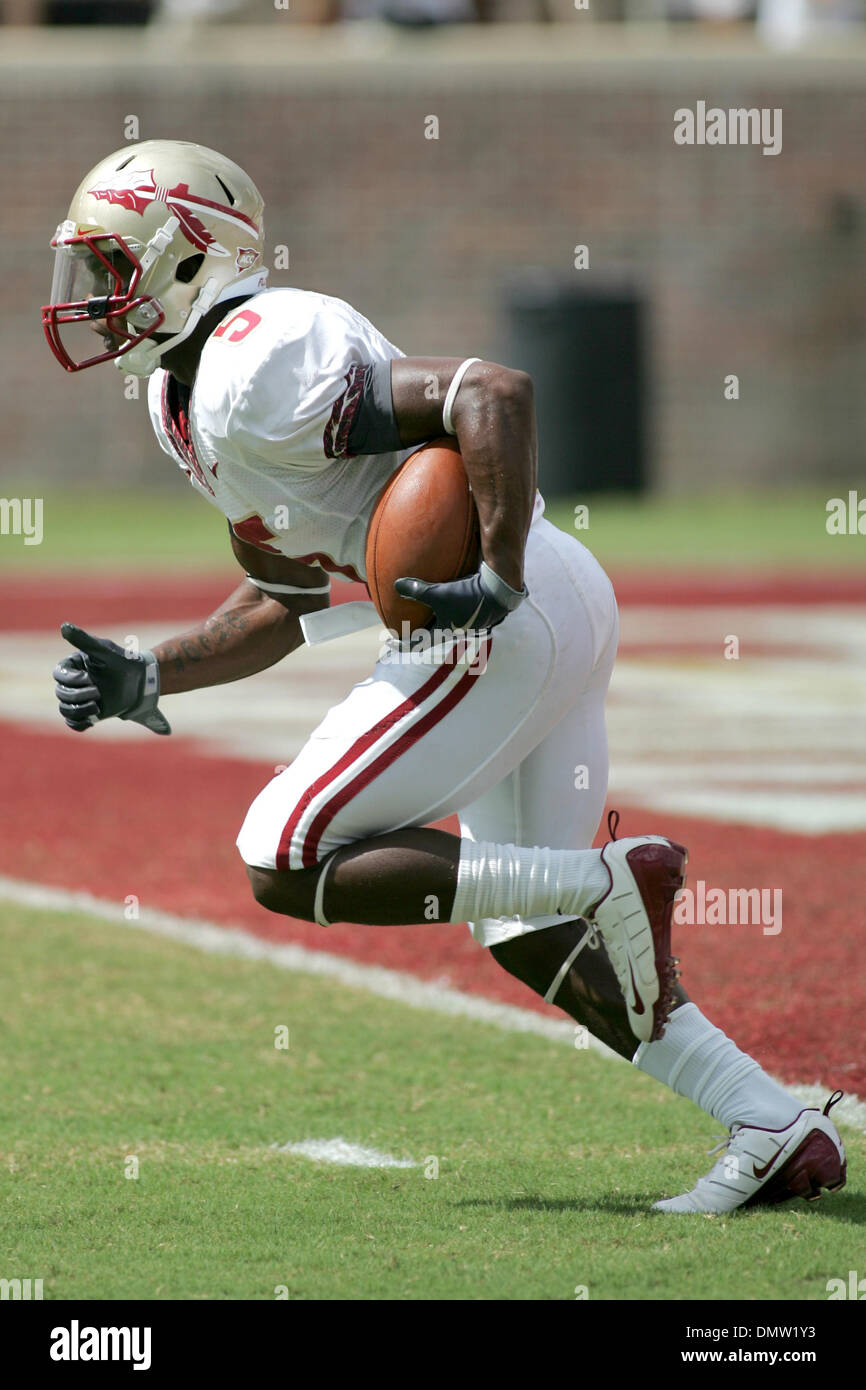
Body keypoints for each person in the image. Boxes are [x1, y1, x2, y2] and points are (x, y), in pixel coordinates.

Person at [45, 139, 846, 1213]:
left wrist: (498, 581)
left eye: (112, 266)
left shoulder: (258, 352)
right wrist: (155, 669)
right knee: (519, 928)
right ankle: (767, 1120)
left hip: (499, 615)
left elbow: (490, 392)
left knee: (282, 851)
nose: (95, 295)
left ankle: (609, 879)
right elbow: (284, 602)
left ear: (187, 256)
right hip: (536, 605)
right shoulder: (185, 397)